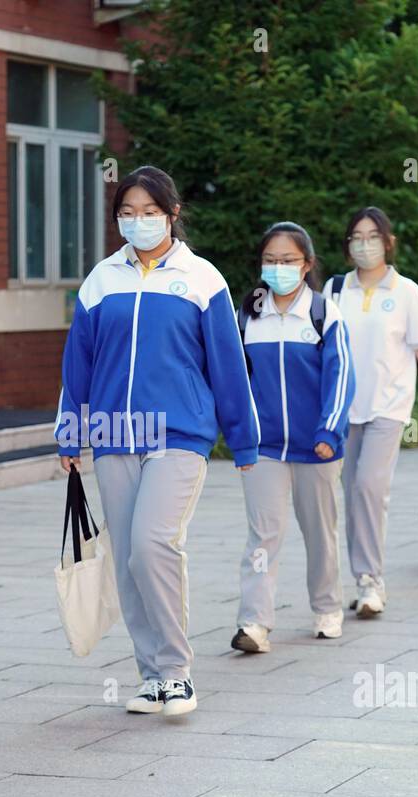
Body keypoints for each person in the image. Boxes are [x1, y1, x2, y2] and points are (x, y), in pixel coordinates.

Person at [55, 166, 259, 717]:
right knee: (126, 559)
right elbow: (79, 364)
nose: (138, 222)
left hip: (179, 434)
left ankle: (177, 672)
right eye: (128, 212)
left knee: (152, 544)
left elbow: (227, 364)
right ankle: (151, 678)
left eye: (149, 212)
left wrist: (243, 441)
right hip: (113, 437)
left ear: (171, 214)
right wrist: (70, 429)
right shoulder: (102, 279)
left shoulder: (202, 279)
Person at [231, 222, 354, 652]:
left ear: (307, 265)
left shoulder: (324, 314)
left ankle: (327, 608)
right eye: (270, 260)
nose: (278, 267)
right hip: (264, 447)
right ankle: (254, 623)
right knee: (263, 535)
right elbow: (234, 380)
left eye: (287, 260)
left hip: (315, 446)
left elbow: (341, 379)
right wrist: (238, 431)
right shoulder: (247, 315)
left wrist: (329, 431)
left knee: (319, 531)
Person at [329, 206, 418, 617]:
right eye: (357, 238)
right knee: (352, 494)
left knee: (368, 487)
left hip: (388, 408)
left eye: (373, 237)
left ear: (388, 242)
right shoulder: (333, 292)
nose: (365, 245)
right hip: (344, 411)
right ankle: (362, 576)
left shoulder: (406, 292)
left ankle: (370, 580)